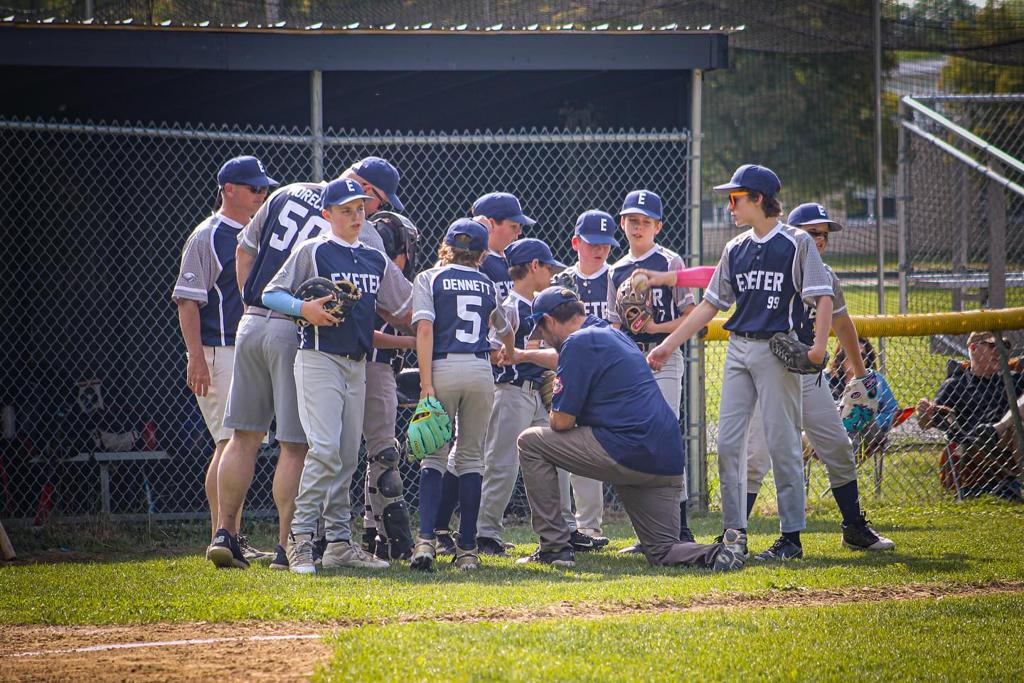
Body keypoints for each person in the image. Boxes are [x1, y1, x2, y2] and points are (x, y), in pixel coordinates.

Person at [208, 156, 408, 570]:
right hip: (298, 330)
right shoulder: (359, 230)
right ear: (365, 190)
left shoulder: (285, 192)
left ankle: (225, 532)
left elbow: (244, 251)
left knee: (242, 436)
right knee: (298, 446)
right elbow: (384, 299)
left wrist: (253, 300)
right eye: (377, 201)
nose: (371, 212)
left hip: (251, 324)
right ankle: (289, 546)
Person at [646, 164, 835, 559]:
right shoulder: (736, 247)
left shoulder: (797, 242)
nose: (730, 206)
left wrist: (818, 349)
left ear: (759, 199)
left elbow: (823, 296)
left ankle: (791, 538)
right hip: (738, 348)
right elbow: (711, 305)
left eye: (736, 198)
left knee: (783, 442)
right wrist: (668, 344)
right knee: (729, 443)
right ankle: (735, 533)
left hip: (777, 350)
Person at [515, 286, 746, 571]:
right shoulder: (606, 334)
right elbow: (568, 357)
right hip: (666, 460)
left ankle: (554, 549)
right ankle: (719, 552)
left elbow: (561, 423)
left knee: (531, 442)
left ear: (549, 321)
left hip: (626, 450)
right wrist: (524, 356)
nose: (543, 337)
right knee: (663, 551)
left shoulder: (577, 343)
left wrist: (556, 403)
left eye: (541, 329)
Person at [260, 178, 413, 573]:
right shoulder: (314, 250)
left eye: (360, 209)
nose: (355, 216)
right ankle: (300, 537)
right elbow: (270, 294)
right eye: (345, 210)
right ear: (327, 215)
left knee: (346, 456)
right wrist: (301, 308)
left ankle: (340, 544)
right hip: (318, 358)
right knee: (325, 450)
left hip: (357, 364)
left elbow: (407, 305)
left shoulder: (374, 257)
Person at [742, 204, 895, 555]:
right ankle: (736, 536)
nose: (820, 240)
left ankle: (854, 528)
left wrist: (861, 374)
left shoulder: (826, 276)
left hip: (811, 379)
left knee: (839, 448)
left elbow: (843, 325)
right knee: (756, 458)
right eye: (812, 233)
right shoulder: (773, 271)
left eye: (823, 234)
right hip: (771, 377)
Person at [172, 155, 275, 562]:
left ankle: (227, 534)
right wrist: (195, 357)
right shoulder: (208, 234)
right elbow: (187, 301)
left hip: (247, 351)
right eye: (254, 189)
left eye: (264, 189)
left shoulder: (258, 234)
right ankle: (224, 534)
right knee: (230, 442)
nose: (261, 195)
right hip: (219, 350)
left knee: (233, 442)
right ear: (228, 189)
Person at [431, 192, 536, 554]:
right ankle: (450, 532)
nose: (517, 233)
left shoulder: (492, 264)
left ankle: (447, 532)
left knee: (462, 452)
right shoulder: (480, 267)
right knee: (463, 452)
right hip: (474, 367)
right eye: (512, 226)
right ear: (488, 223)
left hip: (478, 368)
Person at [410, 218, 515, 571]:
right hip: (480, 369)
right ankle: (467, 549)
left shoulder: (430, 277)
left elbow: (425, 329)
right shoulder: (487, 282)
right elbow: (505, 327)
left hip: (442, 366)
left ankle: (425, 543)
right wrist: (507, 351)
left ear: (446, 245)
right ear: (482, 253)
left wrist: (426, 384)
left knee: (434, 457)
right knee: (471, 458)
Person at [476, 238, 583, 555]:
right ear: (534, 266)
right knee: (502, 463)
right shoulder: (509, 307)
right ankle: (485, 532)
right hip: (513, 392)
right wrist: (515, 353)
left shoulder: (541, 306)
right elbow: (493, 348)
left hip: (543, 394)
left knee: (558, 461)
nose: (551, 273)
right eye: (548, 267)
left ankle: (564, 529)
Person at [605, 190, 696, 553]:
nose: (638, 226)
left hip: (665, 359)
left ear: (658, 226)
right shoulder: (616, 270)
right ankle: (652, 535)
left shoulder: (670, 261)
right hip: (632, 364)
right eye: (632, 220)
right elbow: (614, 325)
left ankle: (682, 529)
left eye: (646, 221)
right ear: (622, 224)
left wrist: (656, 333)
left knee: (665, 438)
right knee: (639, 444)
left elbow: (691, 316)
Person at [554, 210, 621, 547]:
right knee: (563, 444)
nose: (600, 250)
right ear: (576, 242)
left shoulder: (617, 277)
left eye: (606, 245)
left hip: (605, 373)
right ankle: (566, 525)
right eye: (593, 243)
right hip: (569, 369)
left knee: (589, 449)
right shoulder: (562, 281)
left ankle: (591, 526)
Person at [359, 211, 420, 561]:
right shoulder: (374, 274)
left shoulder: (379, 273)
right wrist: (415, 344)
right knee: (381, 454)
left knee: (379, 455)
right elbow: (366, 334)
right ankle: (395, 540)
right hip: (370, 367)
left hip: (378, 369)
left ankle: (375, 534)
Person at [917, 331, 1024, 501]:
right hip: (973, 444)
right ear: (973, 348)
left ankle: (999, 427)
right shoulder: (956, 384)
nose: (999, 352)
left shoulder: (1011, 380)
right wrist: (924, 412)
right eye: (992, 346)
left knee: (1018, 423)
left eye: (1002, 348)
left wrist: (1002, 426)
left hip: (1007, 438)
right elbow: (925, 423)